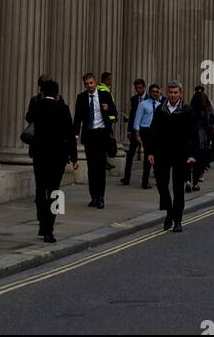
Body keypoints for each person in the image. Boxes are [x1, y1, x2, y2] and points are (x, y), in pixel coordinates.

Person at [30, 79, 77, 242]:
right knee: (55, 191)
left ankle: (42, 223)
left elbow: (29, 118)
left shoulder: (37, 106)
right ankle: (50, 228)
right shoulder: (63, 109)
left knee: (40, 188)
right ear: (57, 93)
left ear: (42, 92)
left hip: (40, 155)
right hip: (58, 157)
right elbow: (70, 134)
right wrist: (74, 157)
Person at [148, 82, 196, 233]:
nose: (173, 95)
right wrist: (150, 152)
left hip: (181, 154)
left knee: (178, 188)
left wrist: (193, 154)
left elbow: (194, 134)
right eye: (171, 92)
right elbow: (153, 132)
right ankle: (169, 211)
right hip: (162, 153)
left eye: (176, 92)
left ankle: (178, 220)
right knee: (162, 185)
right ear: (167, 93)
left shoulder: (187, 110)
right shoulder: (160, 110)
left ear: (181, 93)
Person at [73, 72, 117, 209]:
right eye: (86, 84)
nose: (89, 86)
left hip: (102, 134)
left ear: (95, 82)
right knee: (91, 168)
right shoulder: (81, 98)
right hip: (89, 135)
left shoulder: (105, 95)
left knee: (100, 167)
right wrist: (75, 136)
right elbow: (77, 119)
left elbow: (115, 115)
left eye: (91, 83)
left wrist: (108, 109)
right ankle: (94, 197)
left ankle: (101, 197)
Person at [189, 86, 214, 189]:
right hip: (201, 138)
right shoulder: (204, 111)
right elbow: (208, 125)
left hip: (189, 137)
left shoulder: (189, 110)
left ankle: (188, 181)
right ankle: (195, 183)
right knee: (199, 160)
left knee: (189, 159)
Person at [120, 79, 147, 185]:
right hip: (135, 129)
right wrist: (129, 130)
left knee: (147, 155)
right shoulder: (134, 99)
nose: (138, 90)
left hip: (145, 130)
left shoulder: (149, 99)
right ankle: (126, 178)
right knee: (130, 154)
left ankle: (145, 180)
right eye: (136, 88)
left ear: (144, 87)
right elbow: (132, 116)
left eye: (140, 88)